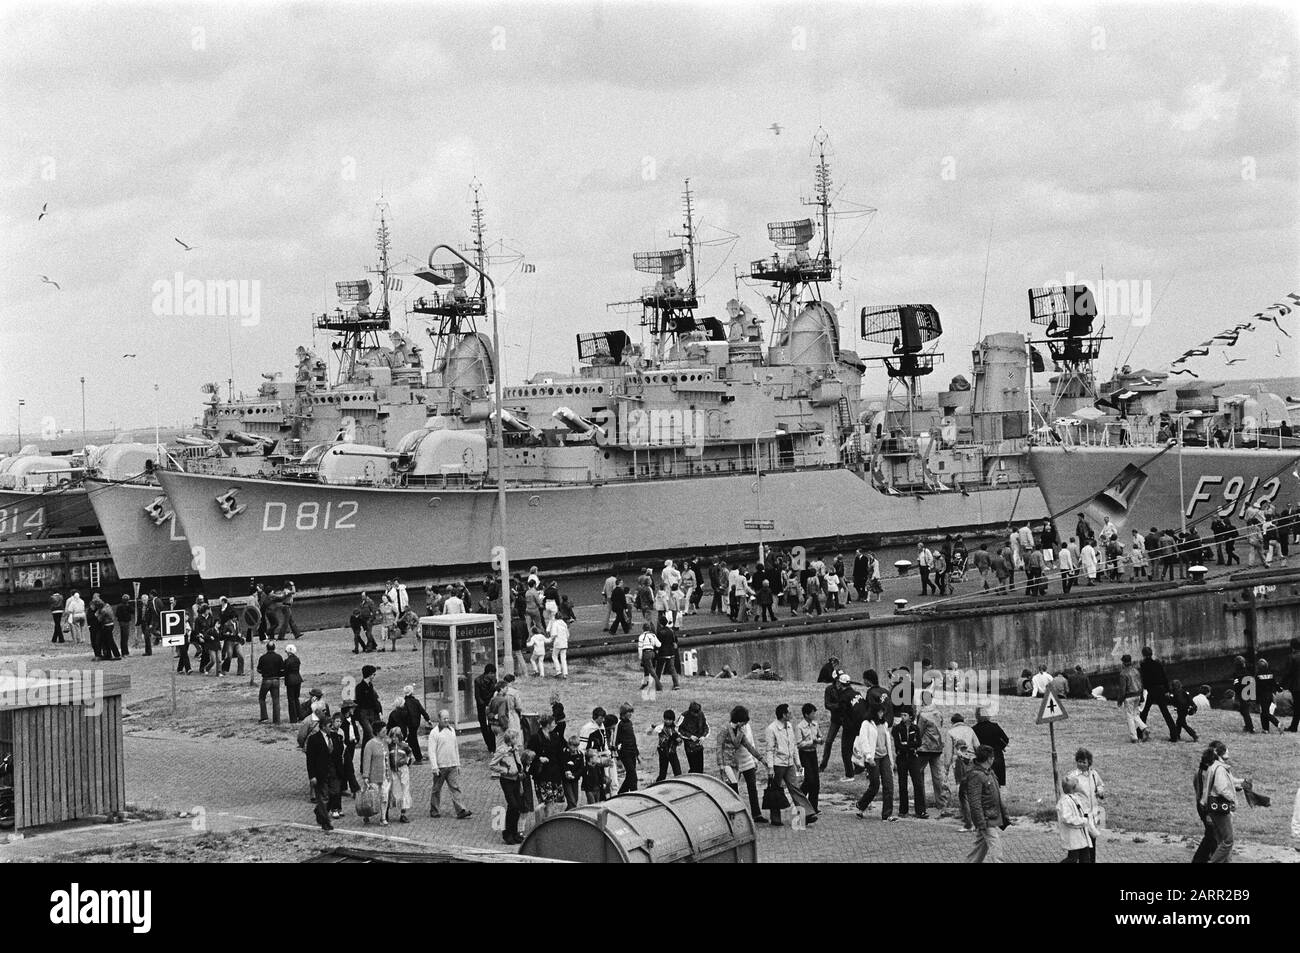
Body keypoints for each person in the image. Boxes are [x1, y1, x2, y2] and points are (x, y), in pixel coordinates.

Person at [1193, 740, 1242, 863]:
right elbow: (1220, 788)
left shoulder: (1212, 767)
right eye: (1226, 750)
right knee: (1227, 840)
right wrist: (1232, 797)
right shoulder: (1219, 768)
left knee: (1219, 840)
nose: (1229, 751)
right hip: (1218, 808)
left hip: (1209, 807)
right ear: (1220, 754)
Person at [718, 706, 768, 823]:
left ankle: (752, 814)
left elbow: (749, 745)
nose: (745, 725)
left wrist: (760, 759)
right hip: (728, 763)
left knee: (748, 787)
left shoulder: (740, 731)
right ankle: (731, 815)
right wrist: (720, 764)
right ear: (739, 721)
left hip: (736, 763)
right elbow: (719, 747)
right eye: (744, 722)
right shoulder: (725, 729)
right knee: (733, 789)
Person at [964, 745, 1007, 862]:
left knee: (979, 848)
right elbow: (974, 801)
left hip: (989, 816)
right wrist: (981, 821)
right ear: (989, 759)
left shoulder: (988, 772)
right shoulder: (976, 775)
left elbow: (995, 794)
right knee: (996, 846)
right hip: (986, 819)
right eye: (992, 757)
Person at [764, 704, 805, 826]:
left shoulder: (789, 726)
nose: (791, 715)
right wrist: (770, 768)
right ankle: (775, 818)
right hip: (778, 764)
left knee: (795, 788)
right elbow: (769, 749)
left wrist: (798, 763)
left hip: (789, 763)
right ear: (784, 715)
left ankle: (805, 814)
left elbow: (793, 746)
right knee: (776, 789)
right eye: (789, 713)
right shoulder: (772, 729)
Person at [853, 709, 896, 822]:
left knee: (889, 785)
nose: (882, 714)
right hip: (873, 758)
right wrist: (868, 756)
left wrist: (891, 760)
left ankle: (887, 814)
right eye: (880, 712)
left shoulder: (884, 724)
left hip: (884, 756)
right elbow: (863, 740)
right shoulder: (866, 724)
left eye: (883, 712)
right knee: (875, 785)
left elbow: (887, 742)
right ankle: (861, 805)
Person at [1067, 748, 1105, 861]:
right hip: (1080, 816)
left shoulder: (1093, 774)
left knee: (1091, 844)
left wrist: (1100, 790)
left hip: (1092, 816)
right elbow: (1067, 791)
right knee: (1077, 846)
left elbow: (1100, 784)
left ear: (1089, 762)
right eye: (1079, 761)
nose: (1081, 764)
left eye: (1084, 762)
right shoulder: (1073, 776)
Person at [489, 729, 525, 845]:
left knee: (517, 806)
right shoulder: (502, 750)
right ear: (510, 739)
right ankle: (507, 833)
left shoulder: (514, 749)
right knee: (513, 805)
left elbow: (517, 761)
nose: (517, 740)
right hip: (507, 780)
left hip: (516, 780)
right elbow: (492, 765)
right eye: (515, 738)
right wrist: (505, 770)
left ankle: (514, 832)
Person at [893, 710, 927, 819]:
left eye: (905, 715)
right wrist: (909, 745)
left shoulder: (915, 728)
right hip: (902, 758)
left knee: (918, 783)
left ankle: (920, 811)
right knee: (902, 784)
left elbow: (918, 743)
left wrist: (907, 745)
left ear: (910, 716)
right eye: (901, 715)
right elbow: (898, 745)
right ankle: (903, 810)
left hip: (913, 757)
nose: (902, 717)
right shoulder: (897, 728)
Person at [304, 719, 337, 832]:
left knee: (334, 793)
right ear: (323, 727)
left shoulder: (334, 736)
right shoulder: (314, 739)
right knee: (323, 797)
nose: (331, 728)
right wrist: (312, 776)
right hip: (320, 773)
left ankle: (319, 810)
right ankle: (325, 822)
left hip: (333, 772)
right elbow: (310, 759)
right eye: (329, 726)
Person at [1138, 646, 1177, 740]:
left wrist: (1142, 691)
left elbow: (1143, 680)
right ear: (1151, 654)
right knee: (1165, 712)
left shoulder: (1143, 665)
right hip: (1160, 689)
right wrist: (1167, 690)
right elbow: (1164, 677)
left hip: (1151, 690)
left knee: (1144, 712)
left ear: (1143, 655)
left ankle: (1140, 732)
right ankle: (1174, 734)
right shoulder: (1157, 664)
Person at [915, 693, 946, 811]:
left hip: (924, 748)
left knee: (919, 774)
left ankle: (921, 802)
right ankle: (941, 803)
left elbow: (919, 732)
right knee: (937, 776)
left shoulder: (922, 715)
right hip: (937, 747)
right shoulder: (938, 713)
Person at [1056, 776, 1097, 863]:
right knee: (1072, 858)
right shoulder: (1065, 801)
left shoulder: (1075, 798)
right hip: (1073, 836)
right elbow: (1067, 818)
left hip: (1081, 835)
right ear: (1074, 788)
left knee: (1085, 858)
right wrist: (1082, 820)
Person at [972, 707, 1009, 786]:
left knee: (983, 783)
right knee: (996, 783)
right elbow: (1005, 740)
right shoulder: (995, 726)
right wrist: (1000, 747)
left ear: (977, 716)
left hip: (982, 758)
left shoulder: (974, 729)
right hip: (996, 756)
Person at [796, 702, 822, 812]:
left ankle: (813, 807)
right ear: (806, 714)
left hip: (813, 753)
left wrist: (820, 740)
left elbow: (820, 735)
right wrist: (812, 742)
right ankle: (799, 800)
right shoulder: (799, 727)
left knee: (816, 781)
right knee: (809, 780)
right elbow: (799, 744)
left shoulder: (815, 724)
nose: (814, 715)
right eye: (812, 713)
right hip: (804, 754)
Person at [1118, 653, 1148, 742]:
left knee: (1129, 716)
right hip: (1138, 695)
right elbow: (1141, 684)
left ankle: (1134, 737)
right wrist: (1142, 696)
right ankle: (1144, 728)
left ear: (1123, 663)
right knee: (1135, 714)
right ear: (1130, 661)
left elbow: (1122, 689)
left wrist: (1120, 700)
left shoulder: (1123, 674)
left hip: (1129, 697)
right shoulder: (1136, 671)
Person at [386, 726, 413, 823]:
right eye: (392, 737)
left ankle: (403, 813)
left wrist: (407, 761)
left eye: (396, 737)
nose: (394, 739)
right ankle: (386, 812)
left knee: (404, 789)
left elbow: (410, 753)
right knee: (393, 790)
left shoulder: (404, 746)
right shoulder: (389, 746)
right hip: (393, 770)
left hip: (403, 770)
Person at [402, 686, 433, 763]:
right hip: (416, 724)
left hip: (408, 724)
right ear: (412, 692)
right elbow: (422, 711)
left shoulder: (404, 702)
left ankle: (416, 757)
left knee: (411, 740)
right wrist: (428, 719)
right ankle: (417, 757)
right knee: (412, 740)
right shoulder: (416, 701)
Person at [615, 703, 639, 793]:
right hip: (625, 753)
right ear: (623, 713)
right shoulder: (619, 724)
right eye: (628, 712)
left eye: (631, 712)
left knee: (630, 775)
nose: (630, 714)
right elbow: (616, 741)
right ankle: (634, 792)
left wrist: (637, 754)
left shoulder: (629, 723)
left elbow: (633, 739)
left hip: (632, 752)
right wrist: (618, 757)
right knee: (633, 776)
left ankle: (621, 792)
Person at [256, 642, 283, 723]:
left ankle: (264, 717)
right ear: (274, 648)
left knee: (262, 698)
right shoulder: (278, 657)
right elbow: (282, 670)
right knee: (276, 700)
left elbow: (259, 670)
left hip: (266, 679)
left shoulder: (263, 658)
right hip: (276, 680)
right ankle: (277, 720)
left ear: (266, 648)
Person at [354, 664, 382, 743]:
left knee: (367, 736)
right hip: (364, 713)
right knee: (371, 735)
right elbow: (358, 702)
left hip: (372, 713)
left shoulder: (370, 686)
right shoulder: (359, 687)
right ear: (369, 674)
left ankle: (364, 754)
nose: (374, 676)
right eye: (373, 674)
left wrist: (378, 710)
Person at [653, 709, 683, 782]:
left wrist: (678, 740)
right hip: (663, 753)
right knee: (662, 774)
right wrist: (652, 727)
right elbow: (649, 733)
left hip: (672, 752)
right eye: (666, 719)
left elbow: (679, 742)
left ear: (673, 720)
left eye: (670, 720)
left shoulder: (676, 728)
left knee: (678, 773)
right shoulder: (660, 727)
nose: (668, 721)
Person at [473, 664, 498, 753]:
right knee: (484, 726)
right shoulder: (478, 681)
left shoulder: (494, 680)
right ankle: (489, 746)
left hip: (490, 705)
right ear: (488, 673)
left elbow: (495, 692)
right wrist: (484, 706)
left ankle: (493, 746)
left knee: (491, 725)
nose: (493, 676)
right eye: (492, 674)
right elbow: (477, 696)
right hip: (482, 706)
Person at [1230, 656, 1255, 733]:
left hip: (1242, 693)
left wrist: (1237, 694)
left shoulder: (1236, 674)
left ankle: (1250, 728)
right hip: (1250, 691)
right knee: (1244, 710)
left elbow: (1236, 685)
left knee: (1244, 711)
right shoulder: (1248, 672)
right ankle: (1248, 726)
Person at [1255, 658, 1280, 733]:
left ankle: (1278, 724)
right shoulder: (1271, 674)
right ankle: (1265, 729)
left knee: (1265, 713)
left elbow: (1257, 688)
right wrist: (1279, 689)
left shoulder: (1258, 676)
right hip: (1270, 695)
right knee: (1263, 713)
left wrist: (1256, 700)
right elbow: (1275, 684)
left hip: (1262, 696)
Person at [636, 623, 661, 693]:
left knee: (651, 670)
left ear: (643, 629)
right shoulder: (653, 635)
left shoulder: (641, 636)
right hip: (652, 653)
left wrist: (640, 657)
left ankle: (659, 686)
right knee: (646, 669)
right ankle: (645, 683)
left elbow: (640, 648)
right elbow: (659, 644)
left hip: (646, 653)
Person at [546, 612, 570, 679]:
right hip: (564, 642)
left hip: (558, 643)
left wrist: (550, 640)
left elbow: (554, 634)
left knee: (554, 656)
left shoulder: (555, 623)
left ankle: (558, 671)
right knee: (563, 658)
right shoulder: (564, 624)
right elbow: (568, 634)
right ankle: (565, 673)